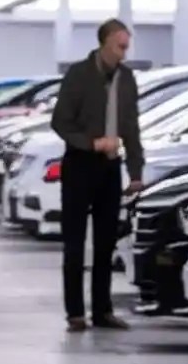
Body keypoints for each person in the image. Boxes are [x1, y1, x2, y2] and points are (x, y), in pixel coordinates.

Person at [51, 18, 145, 332]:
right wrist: (91, 143)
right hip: (80, 164)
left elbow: (131, 127)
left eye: (126, 47)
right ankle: (75, 313)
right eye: (119, 46)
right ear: (104, 43)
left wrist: (135, 172)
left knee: (106, 242)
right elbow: (60, 122)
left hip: (110, 167)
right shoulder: (79, 75)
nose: (123, 53)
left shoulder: (127, 79)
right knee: (75, 242)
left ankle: (102, 310)